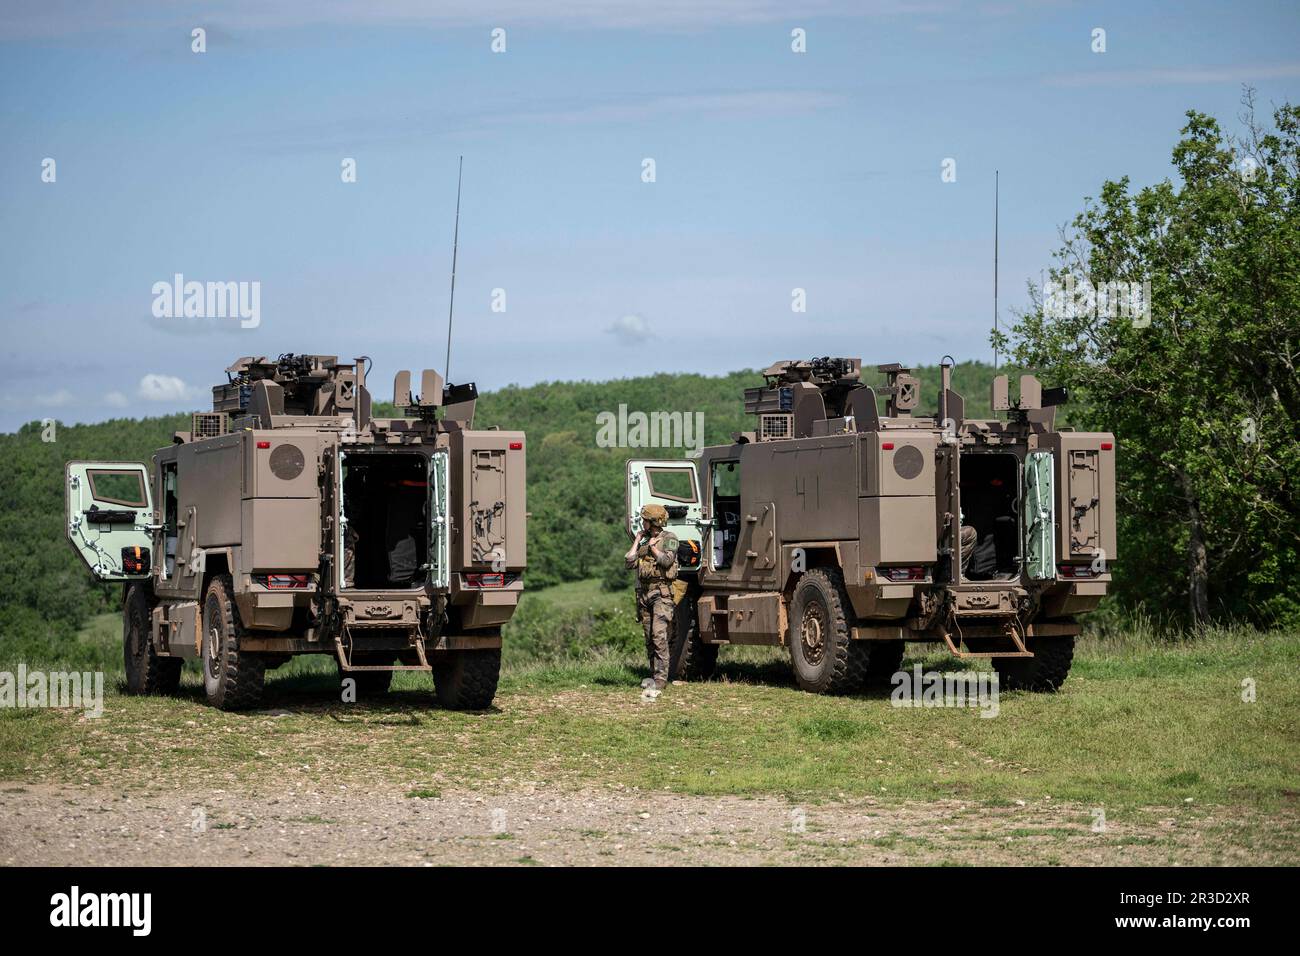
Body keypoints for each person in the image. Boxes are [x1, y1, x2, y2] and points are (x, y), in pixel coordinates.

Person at [624, 504, 678, 698]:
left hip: (661, 594)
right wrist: (638, 540)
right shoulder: (644, 540)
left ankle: (661, 680)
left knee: (659, 636)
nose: (642, 522)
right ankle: (653, 675)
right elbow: (629, 562)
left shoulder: (669, 539)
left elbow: (666, 561)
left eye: (645, 519)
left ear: (653, 522)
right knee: (649, 638)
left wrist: (653, 550)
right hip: (644, 594)